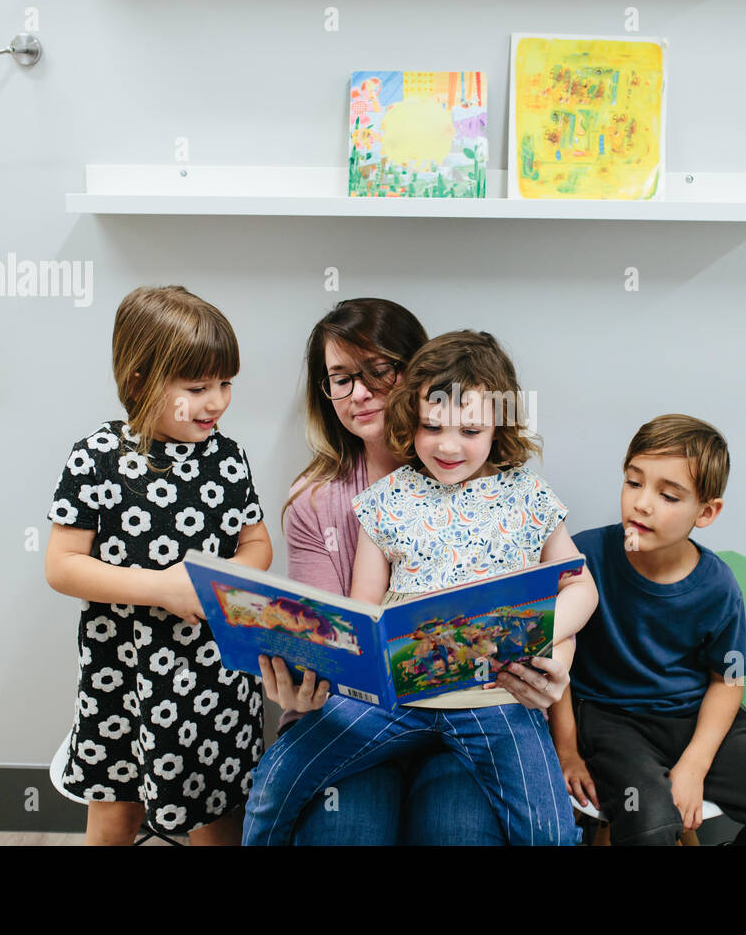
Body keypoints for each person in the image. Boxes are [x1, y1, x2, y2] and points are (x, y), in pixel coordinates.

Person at [243, 330, 597, 846]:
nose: (448, 446)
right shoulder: (384, 500)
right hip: (395, 695)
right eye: (431, 427)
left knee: (551, 832)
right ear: (410, 419)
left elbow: (581, 585)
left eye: (470, 430)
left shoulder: (527, 492)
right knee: (276, 776)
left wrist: (546, 636)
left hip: (495, 698)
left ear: (499, 424)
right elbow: (363, 610)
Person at [44, 285, 272, 845]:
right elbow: (63, 566)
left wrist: (226, 580)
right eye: (197, 388)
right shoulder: (97, 457)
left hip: (215, 675)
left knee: (217, 809)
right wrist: (160, 588)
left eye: (225, 385)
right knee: (114, 810)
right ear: (141, 380)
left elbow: (257, 543)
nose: (216, 402)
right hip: (123, 672)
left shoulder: (228, 457)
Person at [551, 414, 746, 845]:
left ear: (706, 511)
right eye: (633, 483)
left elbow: (728, 681)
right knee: (651, 825)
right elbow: (557, 658)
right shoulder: (585, 555)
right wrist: (566, 751)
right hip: (612, 722)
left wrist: (695, 764)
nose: (642, 503)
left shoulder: (718, 585)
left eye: (667, 495)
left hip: (694, 718)